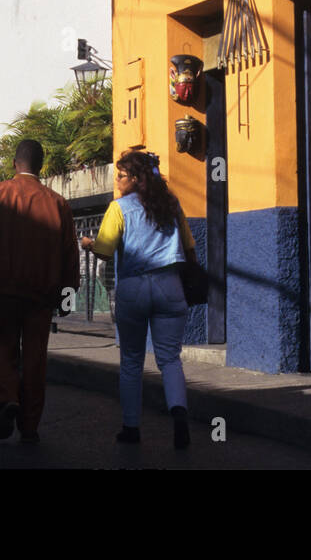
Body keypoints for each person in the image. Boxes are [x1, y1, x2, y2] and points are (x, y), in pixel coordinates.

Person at [0, 139, 80, 443]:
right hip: (42, 296)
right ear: (40, 166)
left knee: (0, 346)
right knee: (35, 359)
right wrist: (69, 292)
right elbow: (70, 253)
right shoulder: (58, 204)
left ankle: (8, 397)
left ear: (15, 163)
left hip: (5, 290)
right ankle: (29, 427)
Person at [81, 149, 194, 449]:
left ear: (135, 178)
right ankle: (179, 414)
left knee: (131, 361)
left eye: (120, 175)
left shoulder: (119, 208)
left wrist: (89, 244)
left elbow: (105, 251)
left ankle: (131, 427)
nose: (116, 180)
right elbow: (189, 246)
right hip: (170, 285)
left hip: (133, 287)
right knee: (169, 359)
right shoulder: (171, 205)